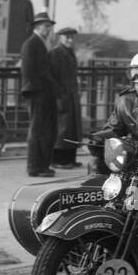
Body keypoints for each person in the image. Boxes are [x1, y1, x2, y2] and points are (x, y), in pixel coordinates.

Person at [19, 11, 58, 177]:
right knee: (37, 130)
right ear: (37, 26)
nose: (48, 29)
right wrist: (41, 88)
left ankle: (42, 165)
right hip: (37, 92)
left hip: (42, 91)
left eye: (49, 26)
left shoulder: (40, 43)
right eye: (45, 26)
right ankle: (35, 166)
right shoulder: (31, 44)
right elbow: (28, 70)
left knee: (43, 129)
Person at [50, 25, 82, 169]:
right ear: (60, 38)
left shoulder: (69, 52)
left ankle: (70, 158)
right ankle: (59, 160)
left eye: (71, 37)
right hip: (62, 95)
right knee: (62, 129)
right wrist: (59, 93)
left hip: (71, 95)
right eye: (67, 37)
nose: (70, 40)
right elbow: (52, 76)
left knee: (72, 128)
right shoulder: (56, 53)